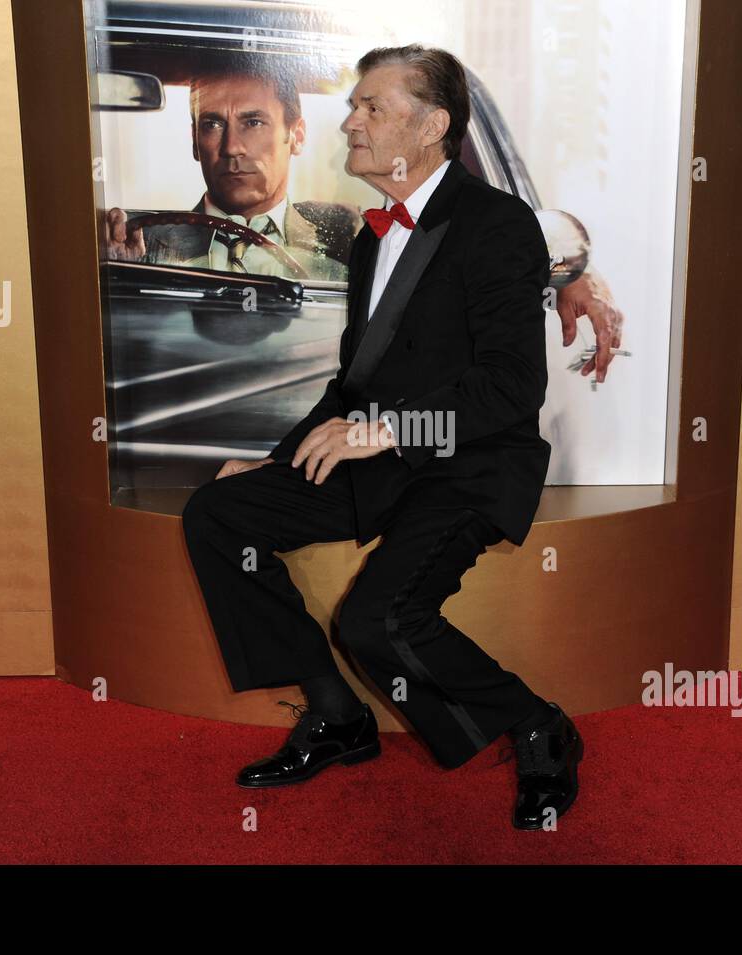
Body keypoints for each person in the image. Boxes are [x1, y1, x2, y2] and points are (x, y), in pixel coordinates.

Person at [181, 44, 582, 830]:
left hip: (467, 462)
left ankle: (538, 723)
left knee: (374, 621)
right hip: (381, 452)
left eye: (372, 107)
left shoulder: (498, 225)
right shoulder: (371, 238)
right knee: (218, 516)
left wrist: (389, 428)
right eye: (353, 105)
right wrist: (275, 459)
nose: (350, 121)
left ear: (432, 126)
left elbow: (511, 389)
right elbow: (352, 386)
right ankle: (337, 716)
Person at [105, 66, 360, 281]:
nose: (231, 147)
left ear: (297, 136)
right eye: (212, 125)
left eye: (253, 123)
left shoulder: (349, 242)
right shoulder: (140, 246)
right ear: (195, 141)